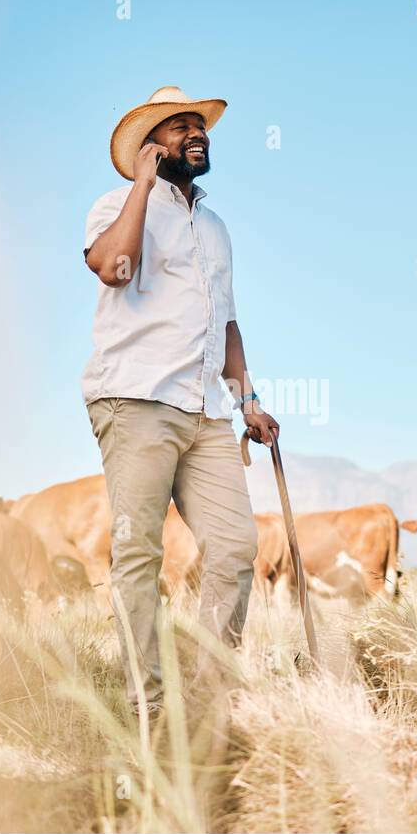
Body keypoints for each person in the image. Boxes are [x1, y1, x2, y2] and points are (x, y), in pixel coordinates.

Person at [82, 86, 279, 716]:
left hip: (207, 415)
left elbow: (227, 324)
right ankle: (150, 700)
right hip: (135, 399)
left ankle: (207, 694)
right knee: (139, 550)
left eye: (201, 126)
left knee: (236, 547)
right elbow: (114, 268)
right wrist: (141, 185)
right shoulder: (115, 204)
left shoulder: (216, 230)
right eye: (180, 127)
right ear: (151, 144)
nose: (197, 134)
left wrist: (246, 399)